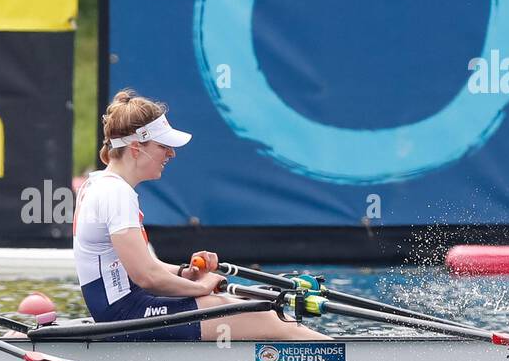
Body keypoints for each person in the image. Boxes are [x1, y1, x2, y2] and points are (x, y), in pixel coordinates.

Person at [73, 88, 326, 342]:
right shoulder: (116, 193)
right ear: (137, 147)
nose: (171, 153)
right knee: (271, 318)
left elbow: (141, 268)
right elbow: (146, 277)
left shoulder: (97, 184)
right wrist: (201, 287)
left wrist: (185, 272)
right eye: (164, 146)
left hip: (124, 310)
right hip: (128, 315)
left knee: (255, 306)